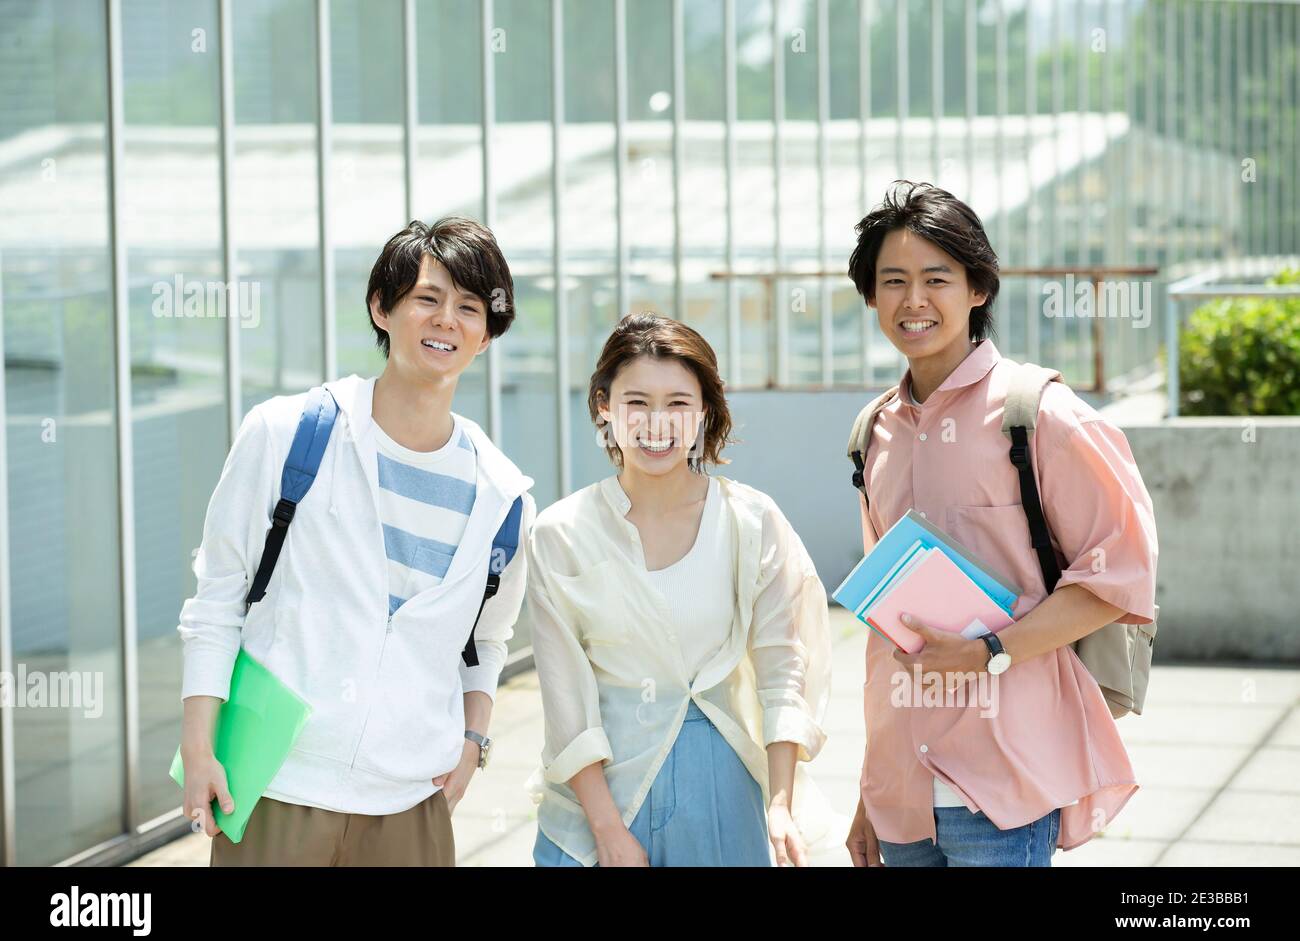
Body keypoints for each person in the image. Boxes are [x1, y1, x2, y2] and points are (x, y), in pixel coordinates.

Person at [178, 217, 536, 866]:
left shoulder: (503, 497)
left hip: (411, 807)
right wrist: (200, 746)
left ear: (486, 335)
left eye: (469, 308)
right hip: (277, 790)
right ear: (382, 307)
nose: (446, 320)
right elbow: (217, 598)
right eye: (427, 299)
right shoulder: (288, 434)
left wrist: (472, 743)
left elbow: (486, 639)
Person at [842, 182, 1158, 868]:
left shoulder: (1041, 415)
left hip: (1003, 789)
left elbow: (1120, 576)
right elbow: (882, 632)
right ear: (870, 296)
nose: (913, 301)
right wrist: (870, 790)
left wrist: (990, 650)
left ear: (978, 287)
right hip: (903, 793)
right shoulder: (874, 435)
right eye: (892, 281)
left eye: (936, 279)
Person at [526, 312, 834, 867]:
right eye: (636, 402)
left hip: (723, 791)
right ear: (604, 406)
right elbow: (566, 699)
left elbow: (783, 665)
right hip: (598, 800)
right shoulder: (561, 532)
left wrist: (781, 805)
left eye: (678, 404)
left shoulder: (751, 520)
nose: (657, 423)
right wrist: (609, 832)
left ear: (705, 413)